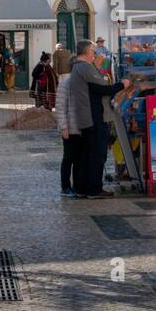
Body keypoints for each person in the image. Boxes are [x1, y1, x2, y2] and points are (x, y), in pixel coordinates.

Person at [67, 39, 133, 198]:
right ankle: (94, 189)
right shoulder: (85, 67)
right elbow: (102, 89)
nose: (95, 54)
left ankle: (83, 188)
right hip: (94, 117)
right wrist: (122, 84)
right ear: (87, 52)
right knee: (97, 154)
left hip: (87, 117)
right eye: (93, 51)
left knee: (87, 154)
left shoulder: (78, 68)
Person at [53, 62, 84, 197]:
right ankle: (65, 186)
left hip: (81, 128)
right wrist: (63, 127)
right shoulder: (66, 83)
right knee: (68, 158)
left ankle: (77, 185)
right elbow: (60, 107)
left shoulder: (82, 82)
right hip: (70, 128)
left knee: (78, 159)